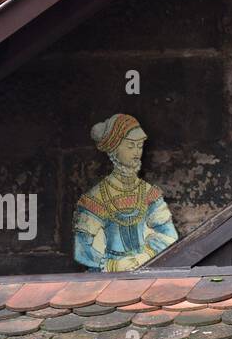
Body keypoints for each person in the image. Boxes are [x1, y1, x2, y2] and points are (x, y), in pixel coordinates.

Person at [73, 114, 177, 271]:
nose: (136, 153)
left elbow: (169, 235)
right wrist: (113, 265)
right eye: (130, 146)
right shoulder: (96, 198)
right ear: (114, 148)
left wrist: (146, 256)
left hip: (146, 268)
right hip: (106, 277)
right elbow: (81, 249)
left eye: (139, 146)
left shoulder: (149, 193)